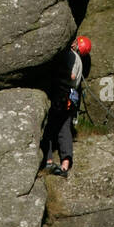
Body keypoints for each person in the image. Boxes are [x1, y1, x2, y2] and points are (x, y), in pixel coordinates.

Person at [41, 35, 92, 179]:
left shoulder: (71, 56)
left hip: (62, 95)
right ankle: (65, 164)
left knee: (49, 127)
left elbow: (71, 76)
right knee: (64, 130)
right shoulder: (79, 60)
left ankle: (49, 160)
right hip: (70, 98)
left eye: (75, 42)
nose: (72, 44)